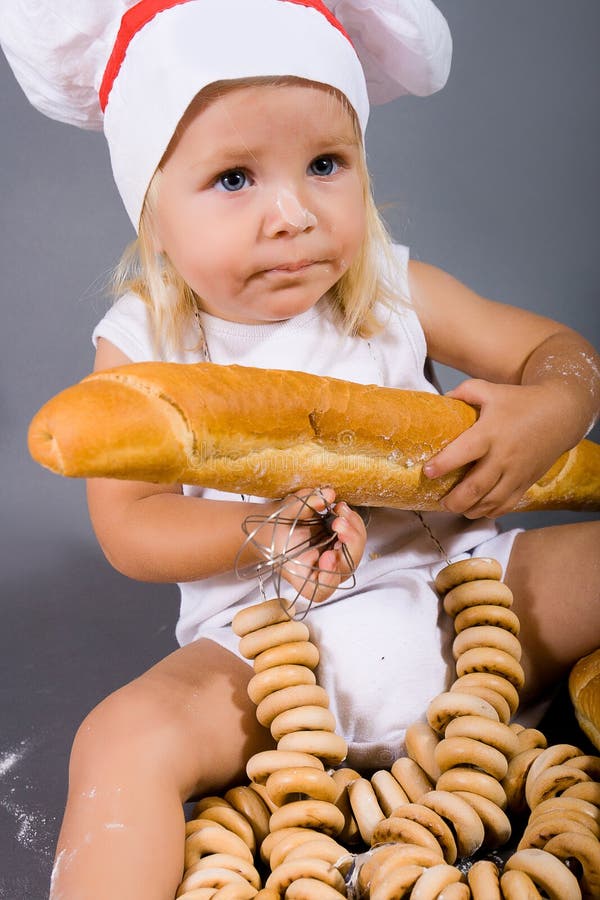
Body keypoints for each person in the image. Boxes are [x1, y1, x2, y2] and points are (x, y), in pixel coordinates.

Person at [2, 1, 599, 897]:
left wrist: (552, 410)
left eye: (325, 165)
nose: (292, 215)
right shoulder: (142, 342)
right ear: (152, 208)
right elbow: (129, 527)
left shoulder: (394, 289)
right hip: (267, 653)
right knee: (121, 739)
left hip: (468, 596)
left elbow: (560, 355)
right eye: (235, 179)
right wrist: (264, 531)